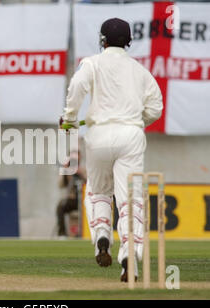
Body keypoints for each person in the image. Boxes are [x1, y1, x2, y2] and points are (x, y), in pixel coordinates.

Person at [61, 18, 162, 282]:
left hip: (99, 136)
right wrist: (136, 120)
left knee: (97, 192)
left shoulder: (92, 63)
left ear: (102, 40)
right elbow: (156, 108)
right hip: (130, 135)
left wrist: (70, 118)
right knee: (131, 199)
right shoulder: (139, 71)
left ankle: (102, 238)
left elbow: (76, 88)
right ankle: (130, 254)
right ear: (128, 41)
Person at [56, 150, 86, 237]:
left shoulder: (83, 170)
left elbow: (90, 184)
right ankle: (62, 234)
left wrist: (80, 174)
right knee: (60, 206)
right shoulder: (67, 171)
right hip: (72, 200)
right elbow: (60, 185)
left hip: (84, 200)